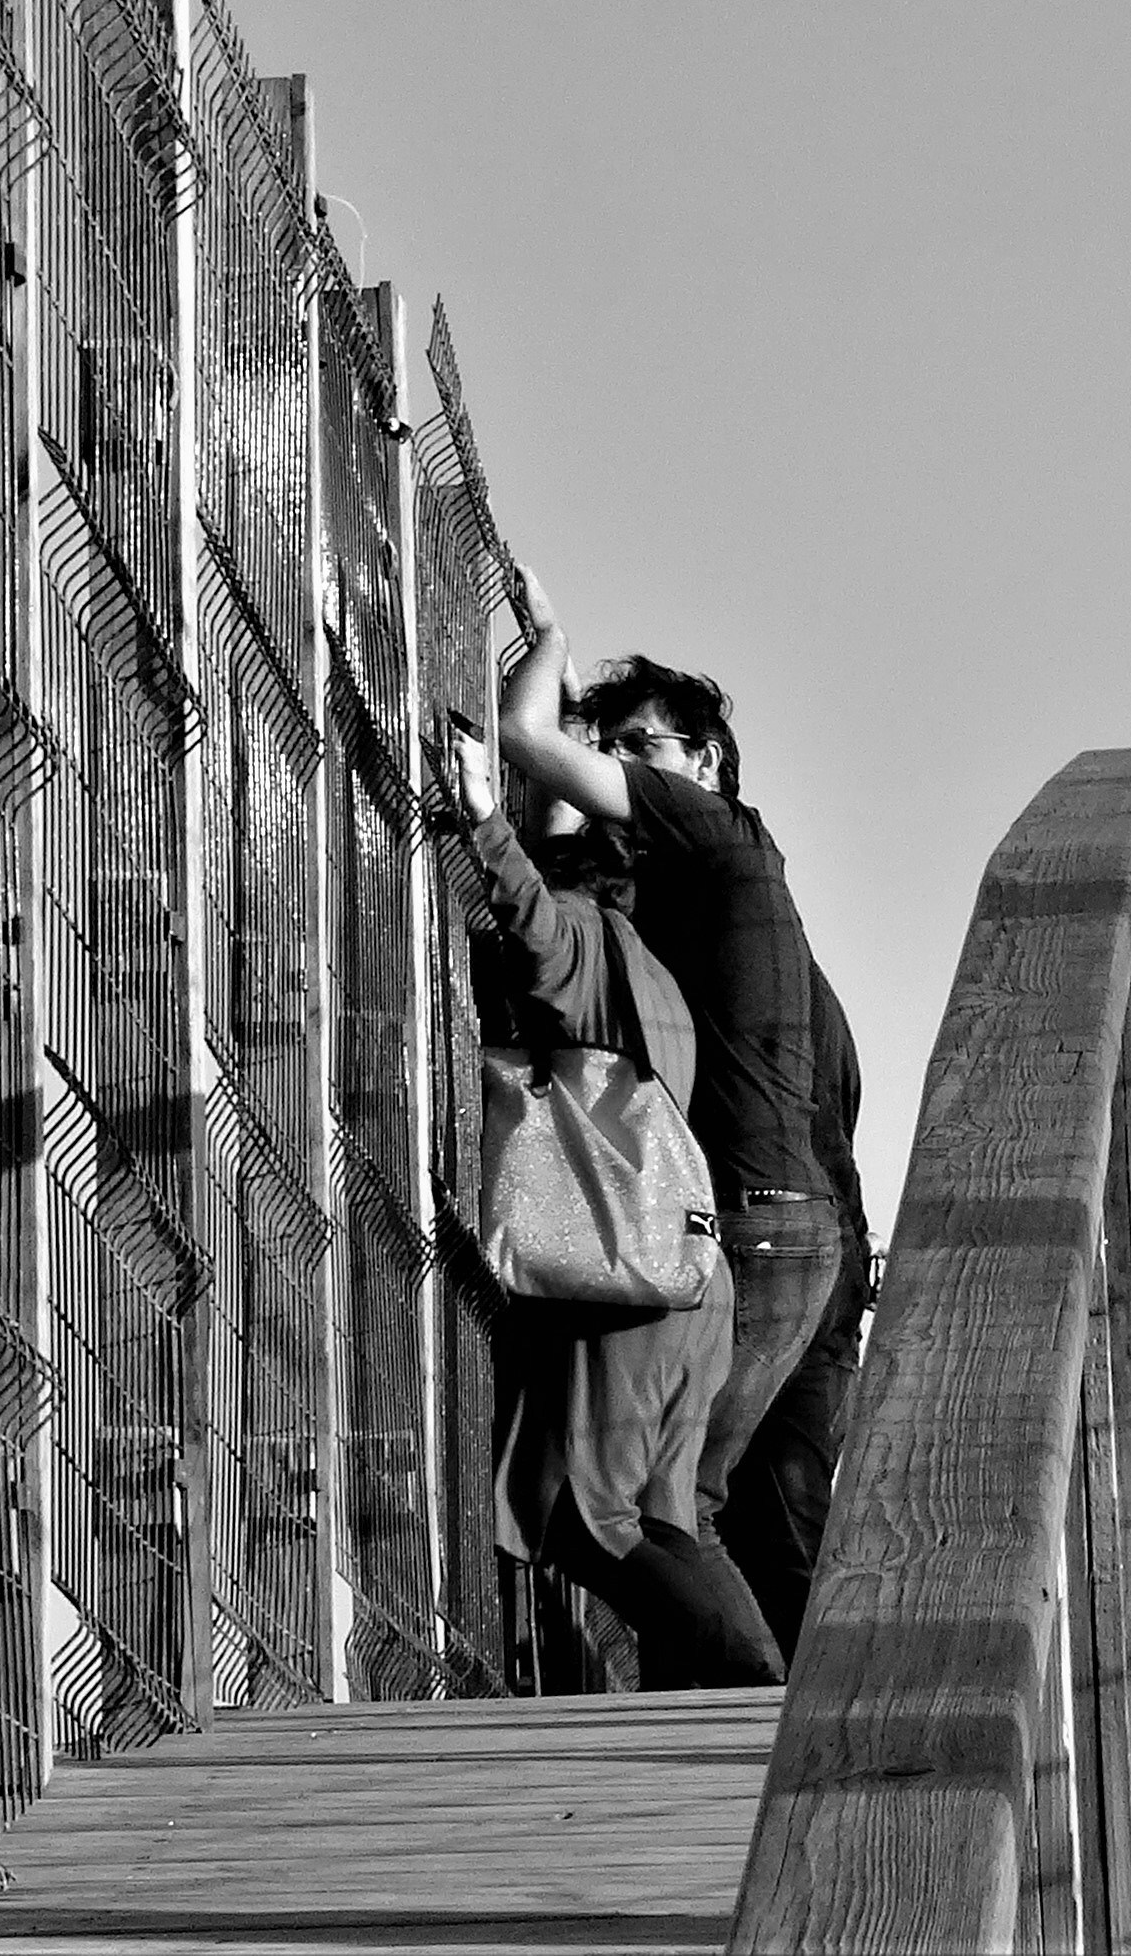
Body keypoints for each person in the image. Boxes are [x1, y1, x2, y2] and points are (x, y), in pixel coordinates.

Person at [494, 569, 850, 1560]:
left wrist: (552, 649)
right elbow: (555, 875)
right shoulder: (680, 890)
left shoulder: (718, 836)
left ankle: (740, 1711)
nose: (615, 765)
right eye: (612, 751)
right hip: (757, 1221)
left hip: (759, 1221)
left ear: (706, 761)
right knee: (686, 1501)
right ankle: (734, 1704)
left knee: (675, 1498)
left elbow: (530, 747)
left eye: (640, 748)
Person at [437, 723, 783, 1687]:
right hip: (687, 1272)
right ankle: (749, 1694)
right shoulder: (662, 975)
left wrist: (483, 823)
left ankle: (756, 1686)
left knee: (581, 1513)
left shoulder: (587, 932)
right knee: (664, 1516)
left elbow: (540, 938)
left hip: (625, 1277)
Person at [717, 962, 869, 1659]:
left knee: (767, 1523)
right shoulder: (810, 991)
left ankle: (816, 1707)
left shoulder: (771, 987)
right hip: (832, 1271)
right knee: (787, 1520)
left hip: (795, 1259)